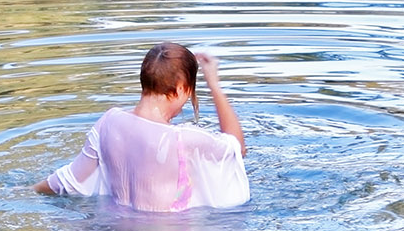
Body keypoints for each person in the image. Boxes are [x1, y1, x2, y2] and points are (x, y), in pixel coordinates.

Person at [33, 42, 248, 212]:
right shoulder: (185, 139)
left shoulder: (108, 123)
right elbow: (238, 148)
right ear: (182, 88)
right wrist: (214, 84)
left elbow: (65, 182)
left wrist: (24, 191)